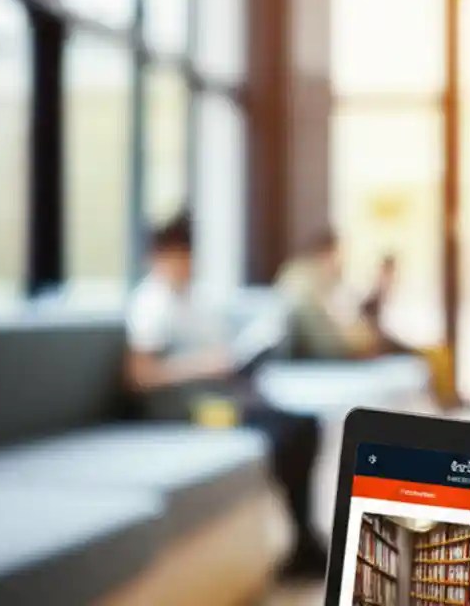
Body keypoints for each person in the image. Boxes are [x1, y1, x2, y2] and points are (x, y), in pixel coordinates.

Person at [126, 212, 328, 578]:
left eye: (188, 255)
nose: (184, 264)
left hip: (219, 397)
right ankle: (303, 543)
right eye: (176, 255)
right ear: (156, 257)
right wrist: (203, 365)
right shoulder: (150, 303)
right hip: (186, 411)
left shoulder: (196, 300)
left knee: (305, 425)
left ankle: (304, 540)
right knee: (284, 430)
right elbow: (140, 377)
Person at [275, 230, 395, 359]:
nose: (341, 264)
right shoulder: (304, 281)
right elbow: (326, 341)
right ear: (326, 255)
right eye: (339, 256)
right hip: (329, 357)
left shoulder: (306, 278)